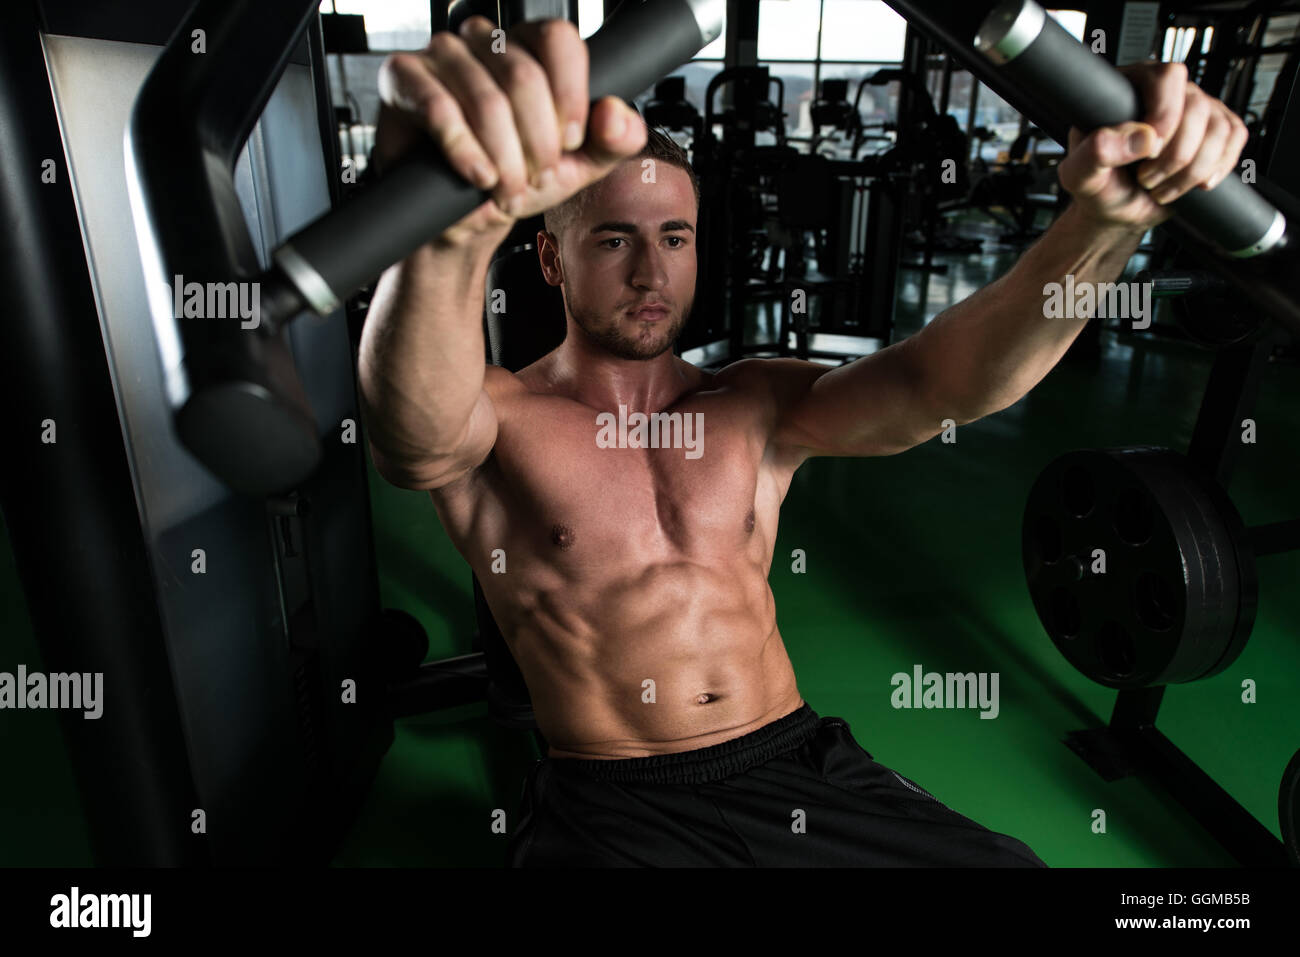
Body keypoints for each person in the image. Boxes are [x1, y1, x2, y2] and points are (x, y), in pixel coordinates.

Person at [357, 15, 1248, 866]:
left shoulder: (755, 402)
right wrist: (451, 226)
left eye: (676, 237)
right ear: (553, 260)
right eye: (614, 240)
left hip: (795, 765)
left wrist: (1106, 221)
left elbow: (943, 385)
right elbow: (413, 439)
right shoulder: (500, 414)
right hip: (616, 800)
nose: (650, 271)